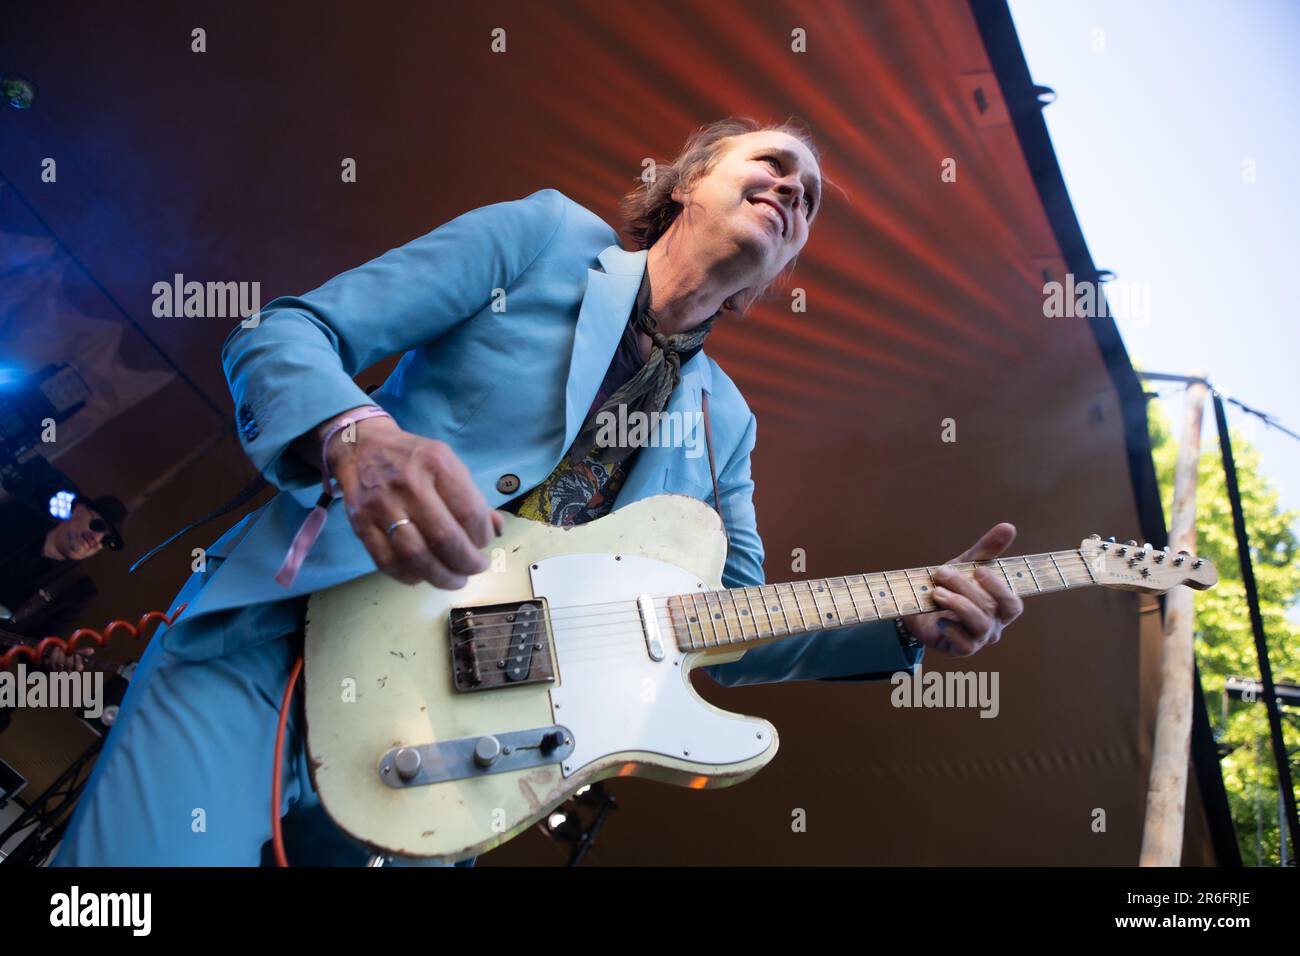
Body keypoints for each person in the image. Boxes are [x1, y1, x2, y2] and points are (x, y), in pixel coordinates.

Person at [55, 117, 1023, 867]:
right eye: (766, 164)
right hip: (288, 640)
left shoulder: (727, 420)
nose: (787, 187)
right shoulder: (542, 237)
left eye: (805, 196)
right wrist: (358, 433)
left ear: (784, 266)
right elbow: (284, 333)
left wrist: (905, 620)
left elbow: (724, 621)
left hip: (471, 740)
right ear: (686, 183)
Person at [0, 494, 125, 730]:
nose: (97, 538)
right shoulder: (16, 519)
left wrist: (55, 660)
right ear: (78, 511)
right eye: (97, 525)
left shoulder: (77, 590)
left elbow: (33, 659)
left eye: (106, 540)